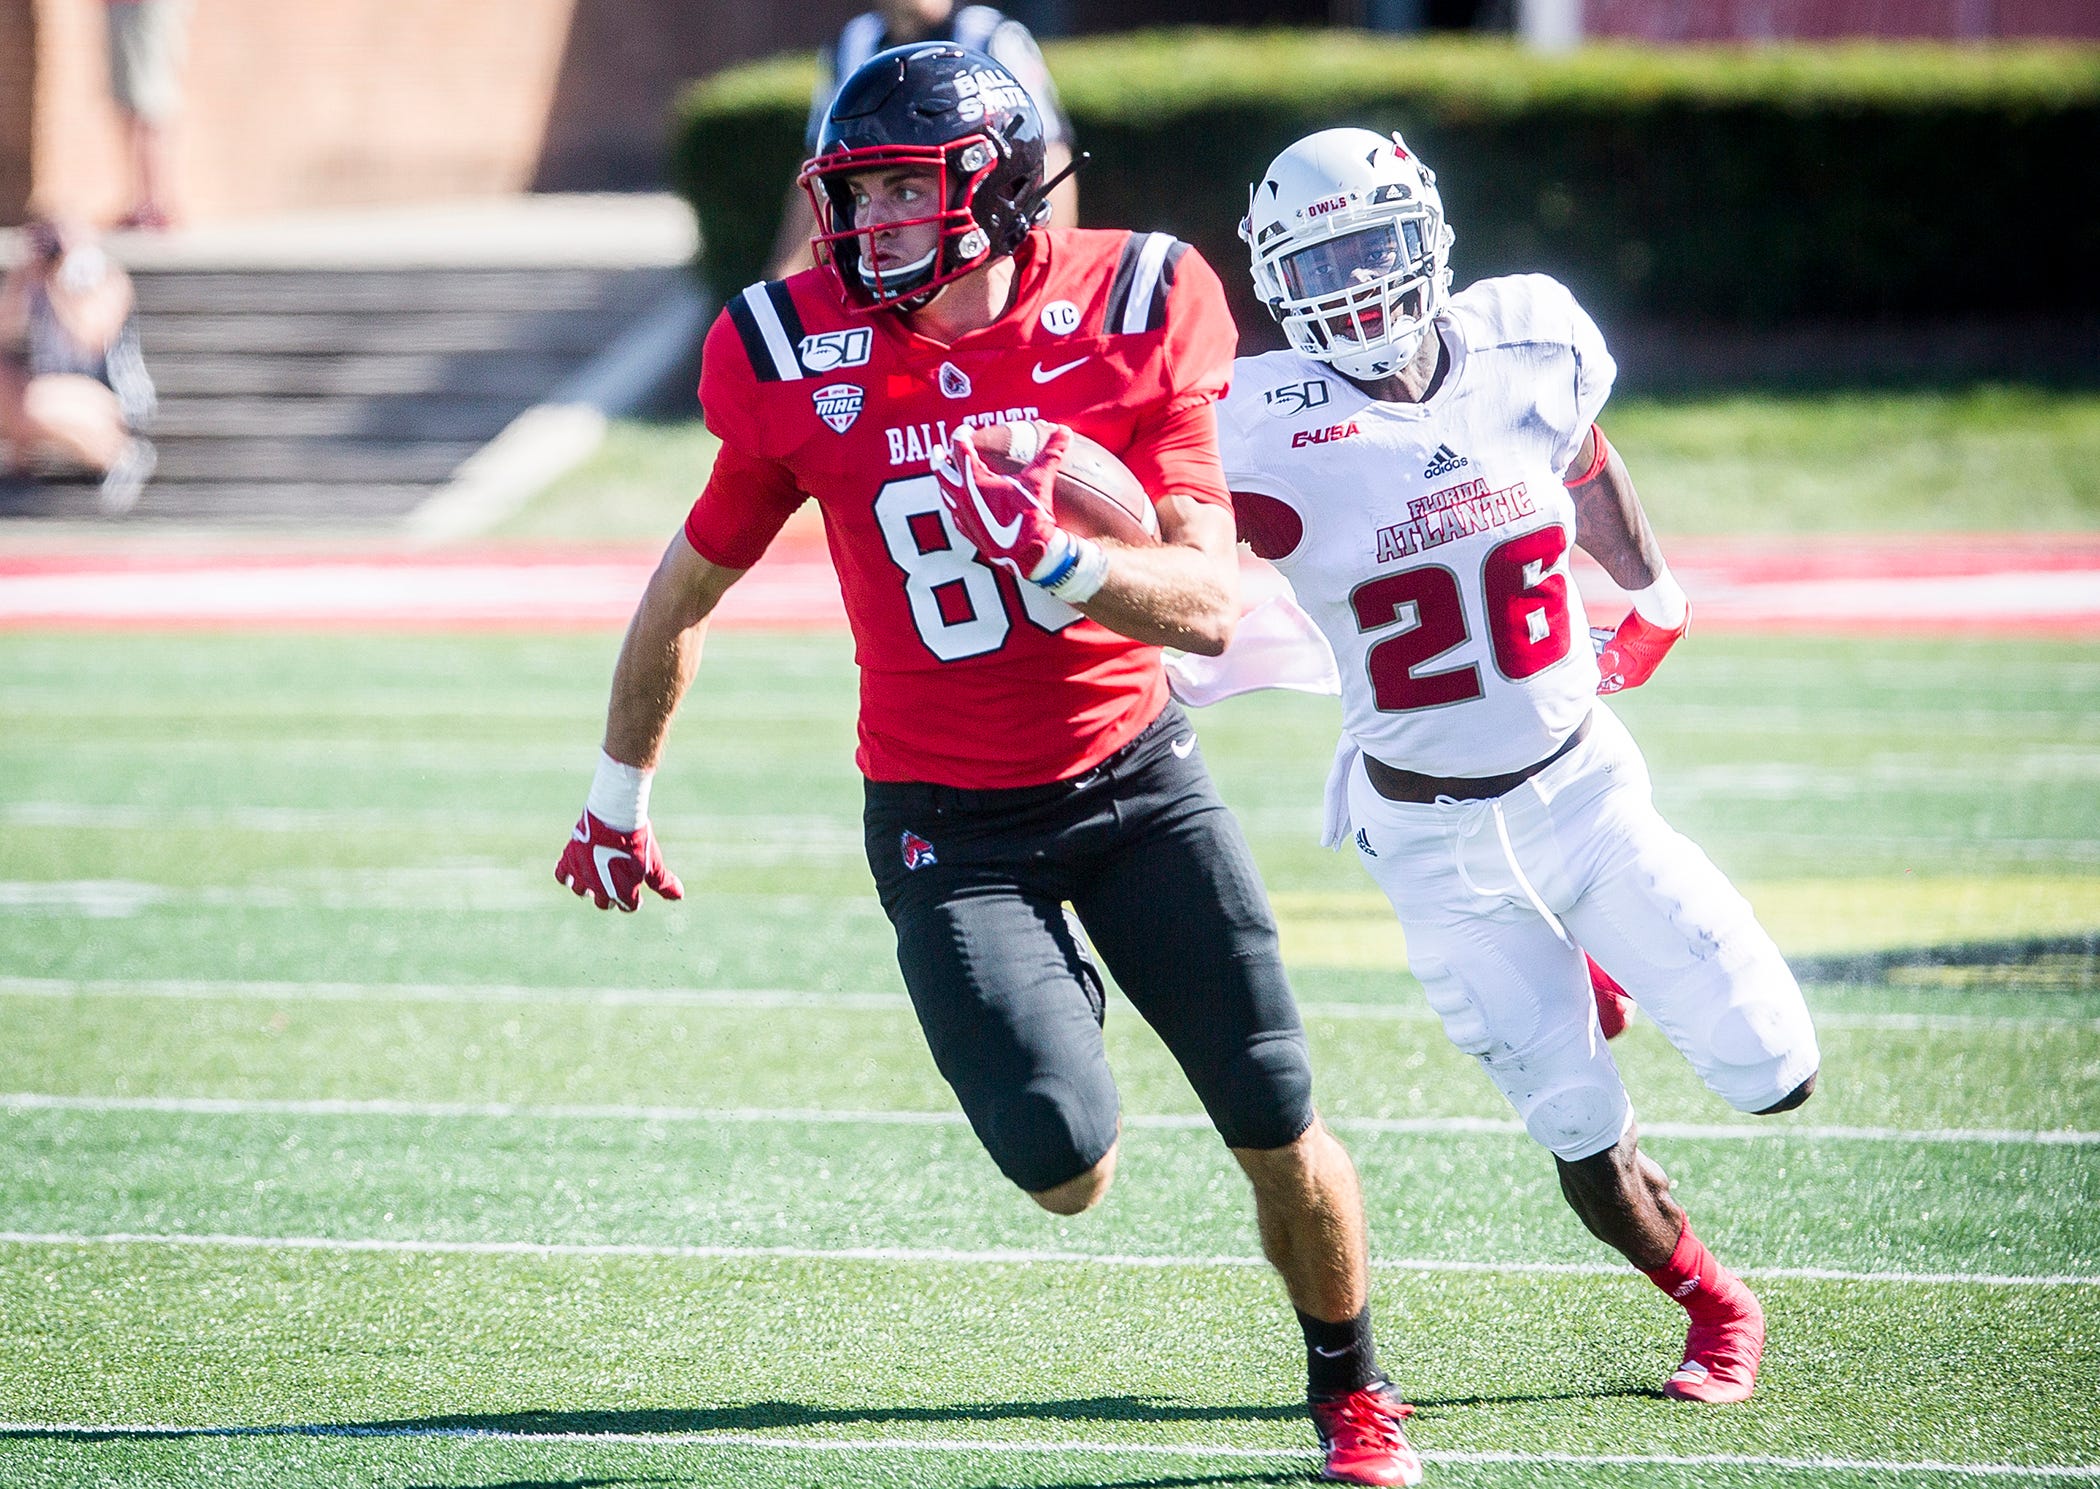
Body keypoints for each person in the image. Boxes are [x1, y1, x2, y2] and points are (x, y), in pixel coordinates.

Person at [557, 46, 1420, 1487]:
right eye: (857, 193)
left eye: (907, 187)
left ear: (1007, 188)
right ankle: (1047, 995)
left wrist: (1068, 559)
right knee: (1065, 1168)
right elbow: (684, 587)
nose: (871, 224)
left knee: (1275, 1113)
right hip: (947, 827)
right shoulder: (791, 344)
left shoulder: (1138, 302)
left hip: (1136, 781)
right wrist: (614, 793)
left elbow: (1212, 602)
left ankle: (1353, 1387)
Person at [1215, 128, 1821, 1405]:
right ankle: (1715, 1301)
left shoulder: (1528, 342)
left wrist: (1650, 583)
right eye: (1321, 262)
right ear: (1275, 285)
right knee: (1574, 1121)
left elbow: (1583, 457)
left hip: (1587, 789)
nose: (1358, 284)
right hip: (1431, 837)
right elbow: (1176, 542)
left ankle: (1596, 943)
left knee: (1777, 1068)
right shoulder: (1259, 430)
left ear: (1429, 234)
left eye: (1375, 246)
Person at [764, 1, 1078, 280]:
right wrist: (788, 265)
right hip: (892, 265)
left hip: (980, 258)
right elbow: (826, 167)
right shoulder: (854, 42)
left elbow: (1044, 150)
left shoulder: (990, 35)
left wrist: (1050, 268)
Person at [0, 218, 157, 514]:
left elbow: (89, 339)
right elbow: (4, 333)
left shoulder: (106, 278)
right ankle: (20, 470)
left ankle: (122, 455)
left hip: (111, 400)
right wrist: (22, 280)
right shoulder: (31, 281)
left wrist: (58, 285)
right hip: (53, 391)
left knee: (34, 401)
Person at [104, 0, 193, 230]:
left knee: (148, 102)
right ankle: (148, 201)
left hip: (139, 8)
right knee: (140, 102)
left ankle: (155, 204)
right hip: (134, 8)